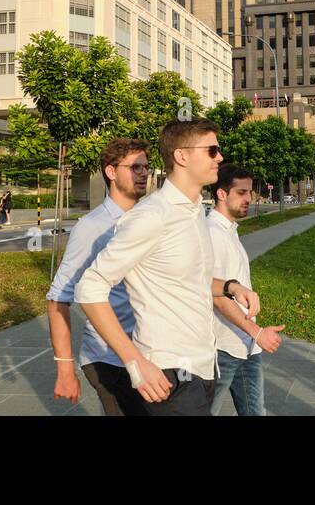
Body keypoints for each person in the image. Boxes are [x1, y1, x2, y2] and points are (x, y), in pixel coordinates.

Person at [75, 119, 262, 416]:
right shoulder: (152, 216)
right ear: (182, 156)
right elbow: (89, 287)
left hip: (204, 365)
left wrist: (230, 287)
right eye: (212, 150)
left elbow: (189, 279)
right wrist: (135, 363)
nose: (220, 157)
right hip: (168, 372)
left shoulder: (195, 212)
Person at [46, 137, 150, 416]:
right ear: (111, 172)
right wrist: (65, 368)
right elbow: (58, 299)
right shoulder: (92, 227)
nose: (143, 174)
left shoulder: (148, 219)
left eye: (146, 168)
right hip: (109, 359)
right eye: (135, 167)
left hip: (147, 353)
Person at [207, 165, 286, 416]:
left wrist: (254, 335)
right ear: (221, 194)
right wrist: (257, 332)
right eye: (241, 192)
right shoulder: (212, 233)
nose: (249, 199)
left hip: (246, 345)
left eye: (250, 192)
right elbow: (216, 296)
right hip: (222, 348)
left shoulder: (229, 230)